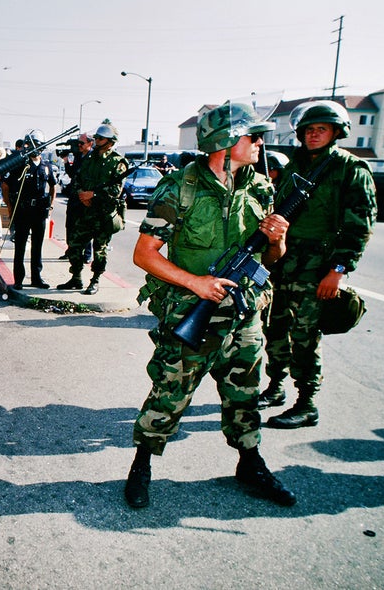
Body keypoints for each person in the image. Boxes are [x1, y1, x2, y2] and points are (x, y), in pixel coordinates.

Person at [123, 101, 296, 510]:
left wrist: (277, 240)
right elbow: (144, 254)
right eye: (252, 136)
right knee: (170, 392)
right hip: (191, 312)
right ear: (225, 141)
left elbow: (271, 261)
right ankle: (141, 466)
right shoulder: (180, 187)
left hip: (242, 312)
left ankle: (250, 463)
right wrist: (195, 283)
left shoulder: (260, 187)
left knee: (245, 394)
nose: (259, 142)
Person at [261, 101, 376, 428]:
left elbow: (359, 225)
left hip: (318, 265)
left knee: (305, 333)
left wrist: (337, 270)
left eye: (321, 129)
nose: (313, 135)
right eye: (309, 130)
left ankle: (306, 402)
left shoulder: (350, 169)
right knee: (275, 325)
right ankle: (275, 386)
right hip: (283, 259)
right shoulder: (293, 164)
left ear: (337, 132)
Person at [57, 123, 128, 295]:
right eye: (95, 138)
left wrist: (93, 195)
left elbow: (115, 191)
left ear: (110, 142)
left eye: (100, 138)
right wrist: (82, 193)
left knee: (99, 249)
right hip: (85, 211)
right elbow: (77, 179)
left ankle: (95, 280)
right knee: (74, 245)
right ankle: (76, 278)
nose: (96, 141)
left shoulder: (118, 162)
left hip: (103, 213)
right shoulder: (89, 158)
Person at [4, 131, 57, 289]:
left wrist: (51, 206)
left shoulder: (45, 166)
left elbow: (53, 185)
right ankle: (18, 279)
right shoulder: (20, 164)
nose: (33, 148)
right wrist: (10, 206)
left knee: (37, 246)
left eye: (36, 144)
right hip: (23, 210)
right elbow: (5, 186)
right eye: (30, 144)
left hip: (40, 211)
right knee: (20, 246)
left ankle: (36, 278)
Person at [58, 133, 94, 262]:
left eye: (81, 143)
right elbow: (72, 173)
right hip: (74, 196)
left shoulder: (93, 157)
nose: (79, 145)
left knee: (85, 226)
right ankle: (70, 250)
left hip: (85, 197)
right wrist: (66, 160)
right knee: (71, 224)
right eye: (78, 143)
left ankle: (87, 254)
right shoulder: (79, 156)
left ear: (90, 143)